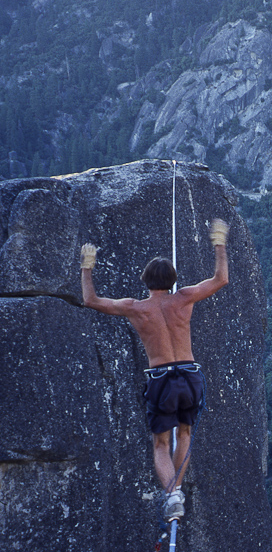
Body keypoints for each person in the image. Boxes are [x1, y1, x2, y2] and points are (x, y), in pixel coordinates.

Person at [80, 219, 229, 521]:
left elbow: (90, 300)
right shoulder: (184, 298)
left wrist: (87, 266)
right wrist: (219, 244)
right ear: (172, 280)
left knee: (161, 442)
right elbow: (220, 279)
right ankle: (177, 489)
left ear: (146, 281)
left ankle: (172, 494)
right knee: (185, 432)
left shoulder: (136, 308)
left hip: (162, 380)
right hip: (190, 376)